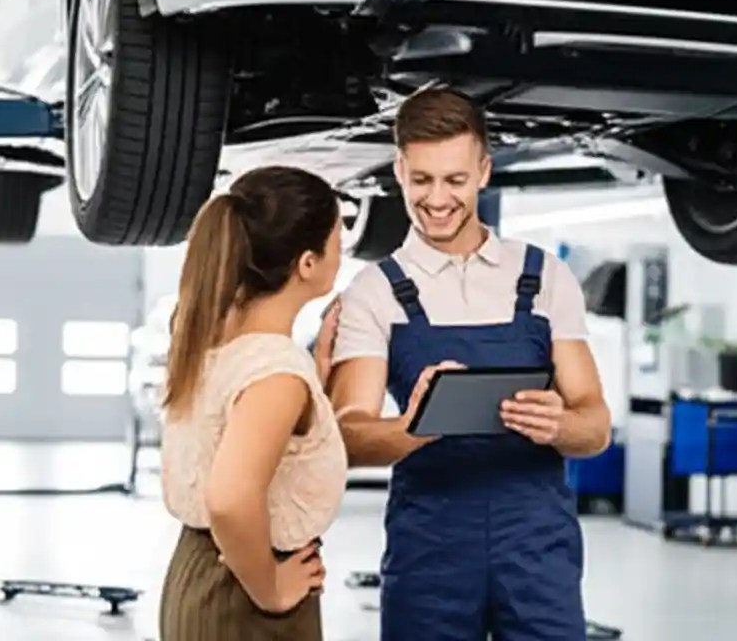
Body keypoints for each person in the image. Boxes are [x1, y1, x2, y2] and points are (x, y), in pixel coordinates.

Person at [327, 88, 613, 640]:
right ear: (399, 170)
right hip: (430, 549)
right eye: (421, 180)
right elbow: (349, 434)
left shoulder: (545, 277)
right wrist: (417, 425)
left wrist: (562, 425)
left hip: (536, 548)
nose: (437, 199)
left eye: (455, 180)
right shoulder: (374, 292)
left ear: (483, 171)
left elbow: (595, 425)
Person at [157, 166, 349, 641]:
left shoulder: (207, 336)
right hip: (244, 591)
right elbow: (229, 500)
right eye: (337, 242)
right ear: (307, 263)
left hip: (200, 571)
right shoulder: (275, 375)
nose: (341, 255)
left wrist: (313, 376)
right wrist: (270, 590)